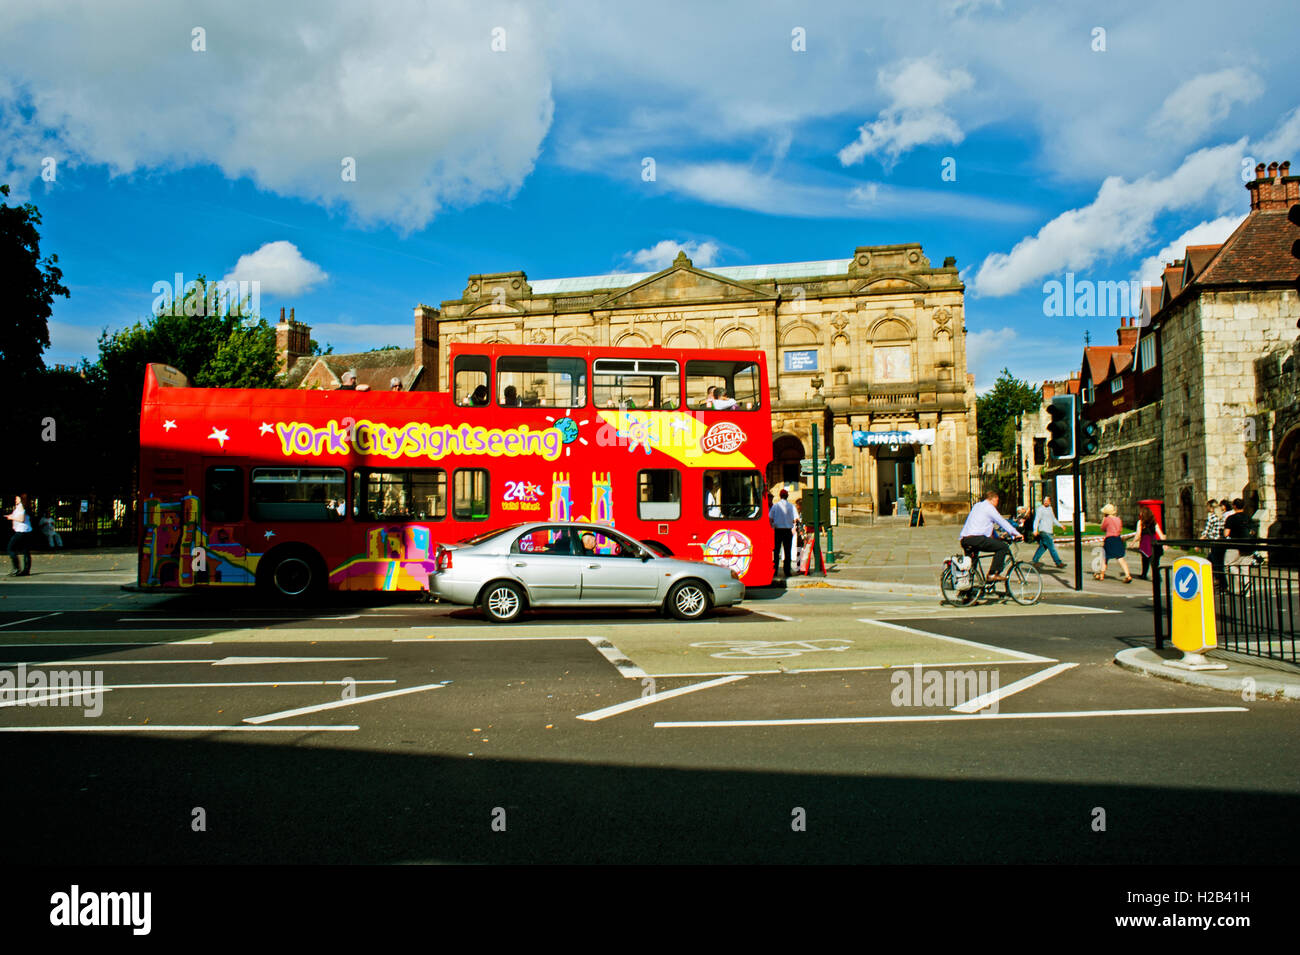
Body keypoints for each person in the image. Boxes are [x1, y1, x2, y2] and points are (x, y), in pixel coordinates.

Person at [958, 490, 1022, 581]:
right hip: (977, 538)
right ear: (993, 499)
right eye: (997, 501)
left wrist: (997, 538)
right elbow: (1002, 522)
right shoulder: (989, 508)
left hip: (965, 539)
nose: (997, 503)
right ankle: (992, 574)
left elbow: (987, 525)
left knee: (971, 565)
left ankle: (967, 589)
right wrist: (1016, 533)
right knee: (1002, 547)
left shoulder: (977, 506)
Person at [1095, 503, 1132, 582]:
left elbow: (1102, 528)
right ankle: (1127, 575)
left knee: (1105, 557)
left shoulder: (1106, 519)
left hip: (1110, 539)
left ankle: (1101, 574)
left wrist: (1104, 520)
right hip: (1118, 538)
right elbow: (1120, 529)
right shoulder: (1118, 519)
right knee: (1120, 557)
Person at [1222, 497, 1256, 578]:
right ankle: (1246, 588)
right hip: (1248, 546)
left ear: (1234, 506)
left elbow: (1226, 533)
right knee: (1245, 568)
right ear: (1243, 506)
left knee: (1229, 565)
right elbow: (1253, 531)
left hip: (1235, 545)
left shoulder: (1231, 518)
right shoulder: (1248, 518)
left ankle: (1238, 584)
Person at [1031, 496, 1067, 568]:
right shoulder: (1040, 509)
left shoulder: (1050, 509)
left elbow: (1053, 519)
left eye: (1047, 501)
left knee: (1043, 547)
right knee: (1052, 547)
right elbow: (1036, 519)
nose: (1045, 502)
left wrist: (1060, 525)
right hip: (1044, 531)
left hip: (1049, 531)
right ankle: (1058, 562)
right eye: (1044, 501)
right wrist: (1035, 529)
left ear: (1050, 502)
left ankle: (1034, 560)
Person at [769, 488, 797, 578]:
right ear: (787, 496)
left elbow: (770, 517)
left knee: (776, 551)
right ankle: (787, 571)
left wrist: (773, 524)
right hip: (787, 530)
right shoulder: (791, 506)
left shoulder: (775, 506)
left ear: (780, 496)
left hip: (778, 530)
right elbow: (796, 518)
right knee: (787, 551)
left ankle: (775, 570)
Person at [1134, 504, 1166, 579]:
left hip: (1145, 543)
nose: (1140, 513)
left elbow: (1138, 534)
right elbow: (1161, 535)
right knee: (1155, 561)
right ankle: (1157, 576)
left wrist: (1133, 542)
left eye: (1141, 512)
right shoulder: (1154, 523)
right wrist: (1164, 544)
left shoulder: (1140, 522)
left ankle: (1144, 574)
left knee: (1145, 560)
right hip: (1154, 543)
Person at [6, 494, 34, 577]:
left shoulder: (21, 507)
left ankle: (16, 569)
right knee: (26, 551)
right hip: (27, 531)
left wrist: (11, 518)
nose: (15, 500)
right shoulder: (24, 506)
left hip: (21, 531)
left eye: (17, 498)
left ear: (21, 499)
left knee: (10, 548)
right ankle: (26, 570)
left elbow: (21, 519)